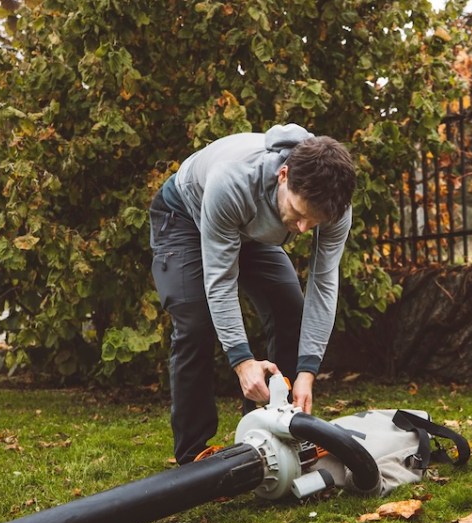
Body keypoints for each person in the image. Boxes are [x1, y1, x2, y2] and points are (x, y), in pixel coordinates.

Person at [149, 124, 356, 465]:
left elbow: (324, 281)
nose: (303, 229)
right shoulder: (232, 181)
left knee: (289, 308)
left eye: (314, 222)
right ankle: (193, 453)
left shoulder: (334, 206)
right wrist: (242, 361)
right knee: (195, 323)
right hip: (185, 216)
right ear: (284, 175)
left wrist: (307, 372)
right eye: (300, 213)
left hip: (249, 231)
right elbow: (219, 279)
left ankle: (273, 430)